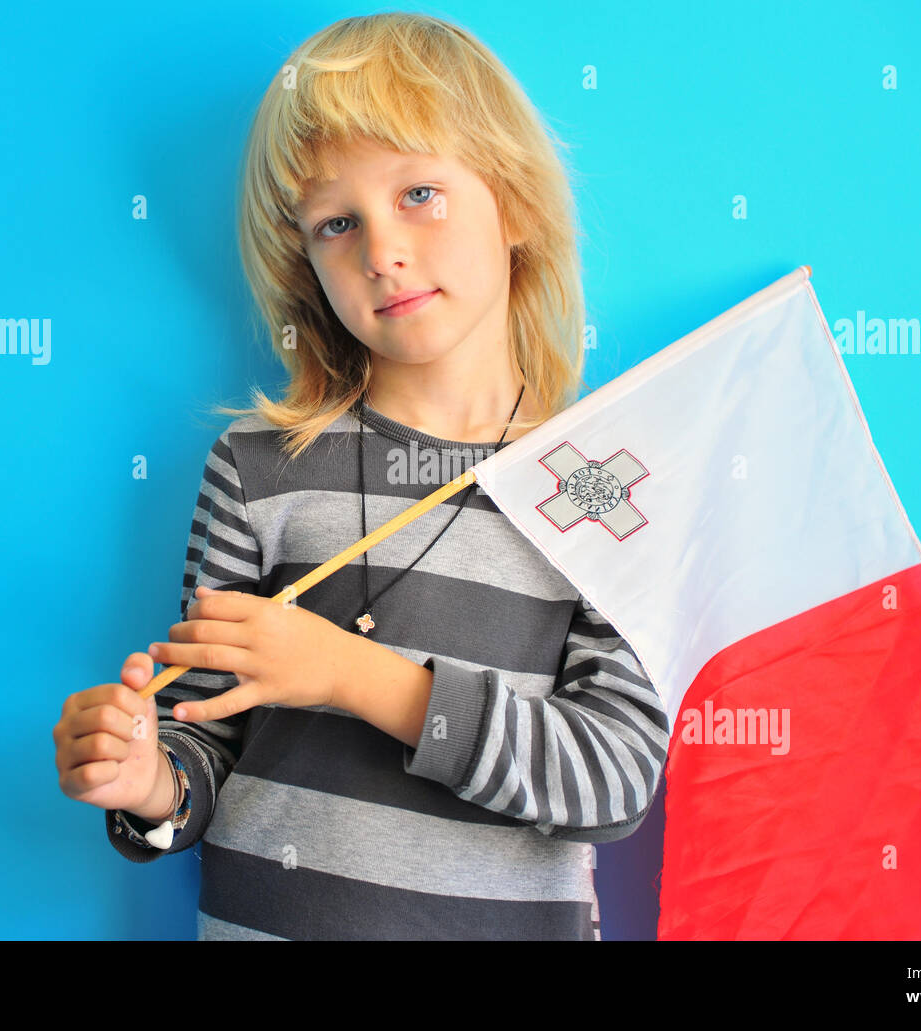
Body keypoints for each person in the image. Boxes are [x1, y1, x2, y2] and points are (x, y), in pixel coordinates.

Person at [53, 11, 669, 941]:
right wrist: (146, 782)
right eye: (337, 223)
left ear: (519, 205)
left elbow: (612, 781)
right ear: (307, 271)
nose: (381, 251)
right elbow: (201, 740)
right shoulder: (258, 471)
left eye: (420, 193)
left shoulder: (599, 488)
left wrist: (354, 675)